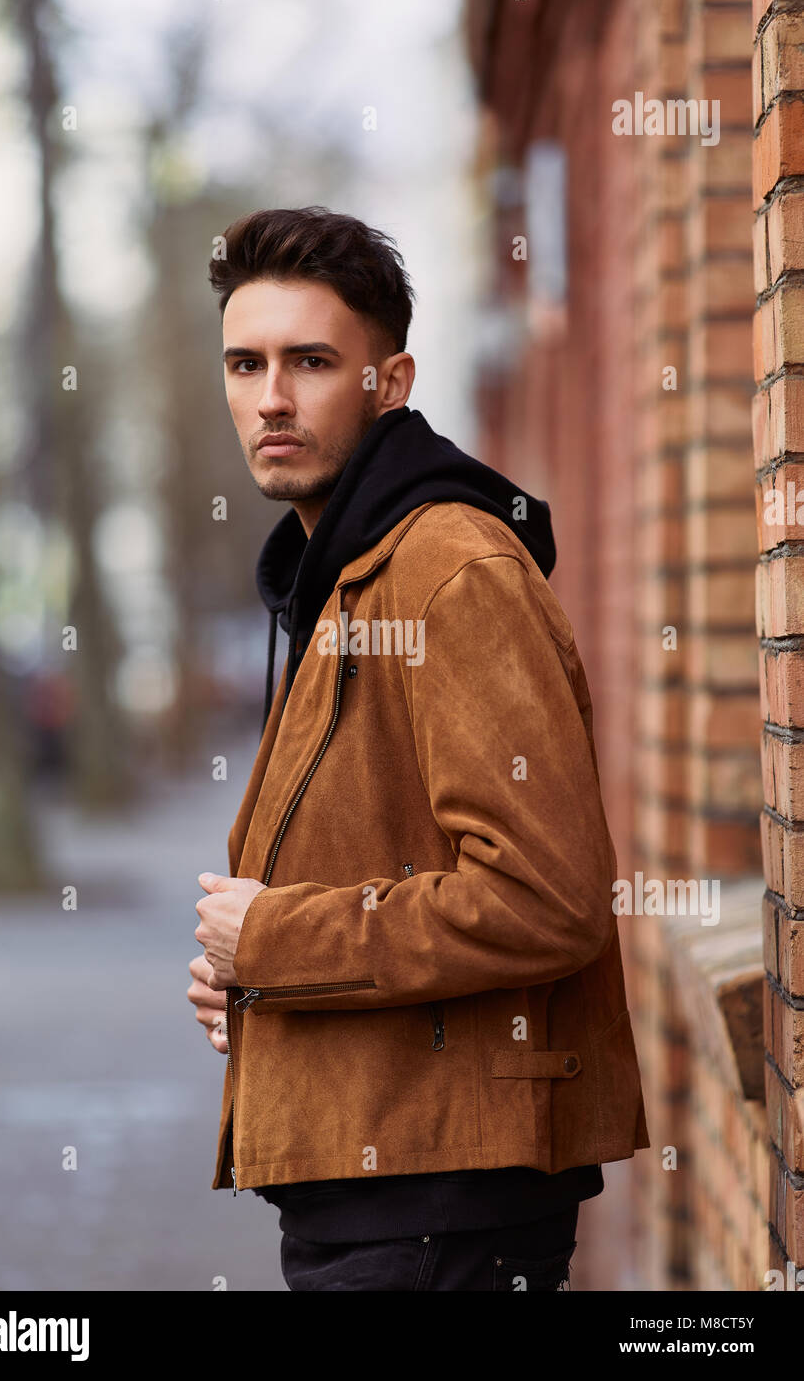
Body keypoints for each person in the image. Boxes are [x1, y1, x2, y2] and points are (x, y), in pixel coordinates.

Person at [186, 205, 650, 1292]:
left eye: (309, 361)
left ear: (387, 381)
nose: (270, 398)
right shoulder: (347, 568)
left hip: (441, 1207)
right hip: (385, 1180)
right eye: (244, 363)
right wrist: (251, 977)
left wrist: (279, 943)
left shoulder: (449, 572)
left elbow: (548, 894)